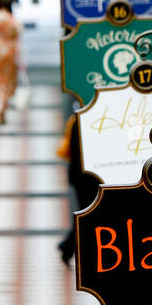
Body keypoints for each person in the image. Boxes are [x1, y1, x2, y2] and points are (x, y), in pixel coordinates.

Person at [56, 111, 99, 267]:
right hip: (87, 177)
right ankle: (68, 246)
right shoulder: (87, 121)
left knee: (87, 213)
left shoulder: (77, 119)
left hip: (81, 175)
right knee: (88, 214)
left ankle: (68, 246)